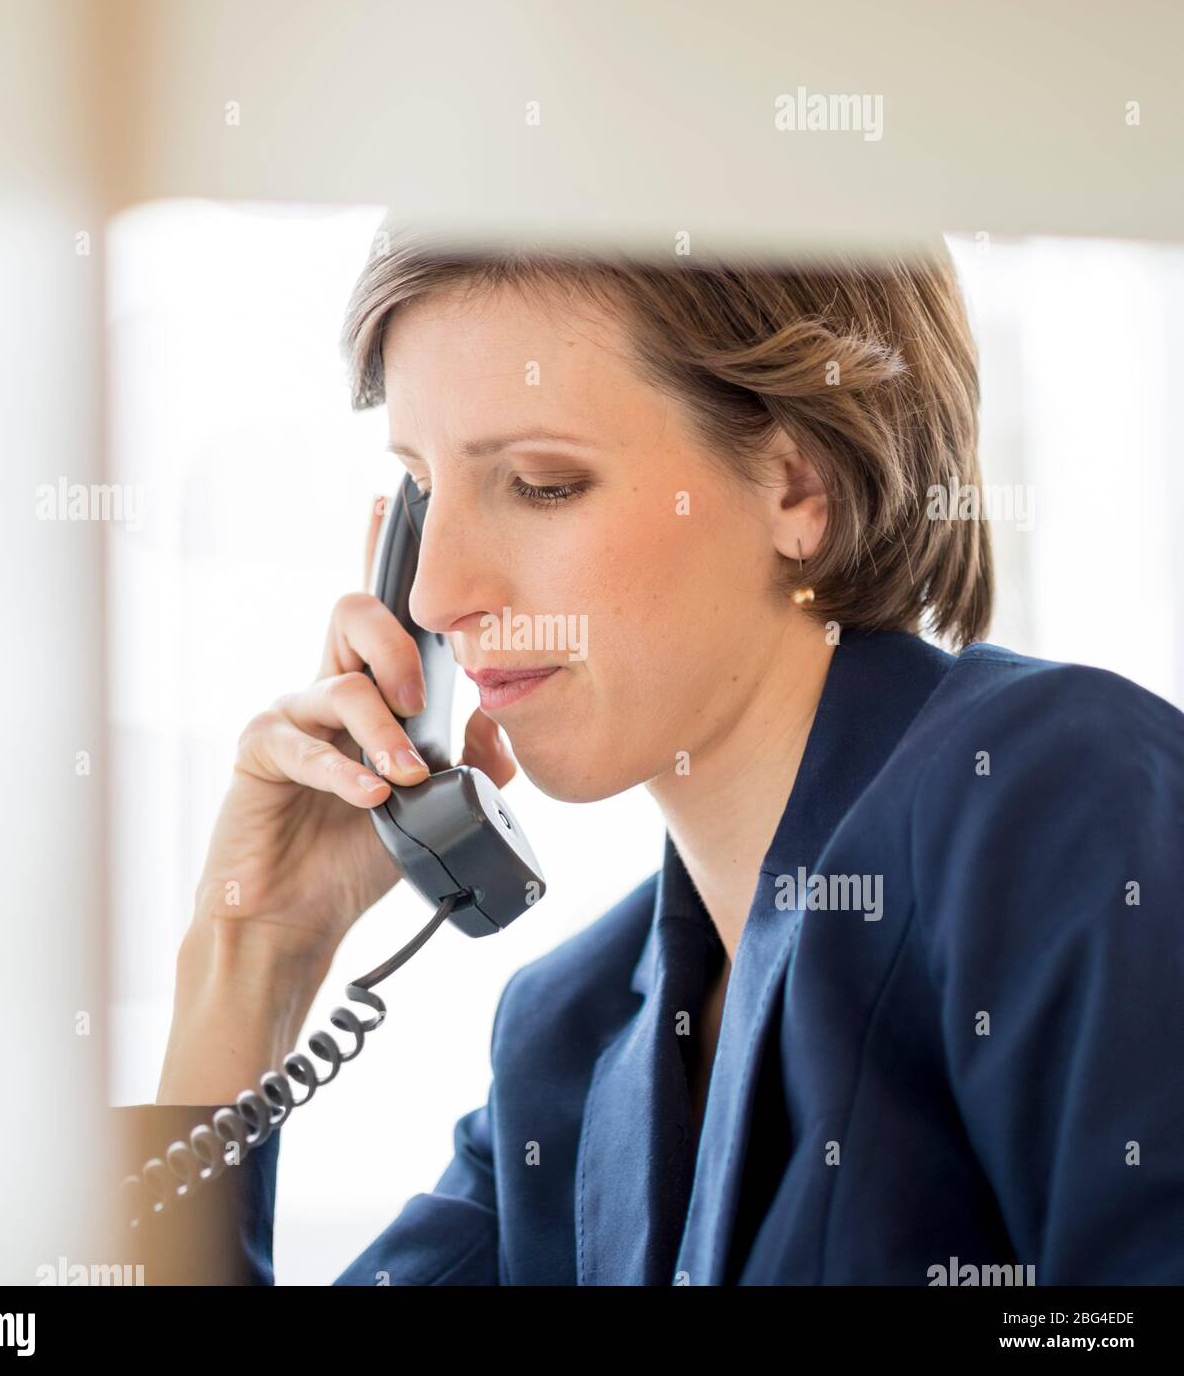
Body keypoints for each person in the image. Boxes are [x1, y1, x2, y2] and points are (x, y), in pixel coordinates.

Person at [114, 228, 1184, 1285]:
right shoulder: (565, 1044)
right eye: (421, 492)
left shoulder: (1050, 795)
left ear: (796, 486)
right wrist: (250, 953)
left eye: (539, 483)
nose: (435, 596)